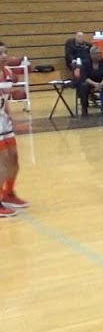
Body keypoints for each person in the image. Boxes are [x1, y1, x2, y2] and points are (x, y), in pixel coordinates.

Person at [0, 42, 28, 215]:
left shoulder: (7, 72)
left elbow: (6, 98)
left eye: (5, 52)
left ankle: (8, 193)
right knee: (2, 163)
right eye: (0, 53)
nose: (4, 55)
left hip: (3, 119)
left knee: (14, 159)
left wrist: (11, 116)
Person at [76, 46, 103, 116]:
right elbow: (84, 77)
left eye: (100, 53)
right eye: (97, 53)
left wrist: (100, 84)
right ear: (91, 54)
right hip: (89, 82)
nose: (99, 55)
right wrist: (95, 84)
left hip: (102, 82)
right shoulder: (85, 63)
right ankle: (84, 108)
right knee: (83, 86)